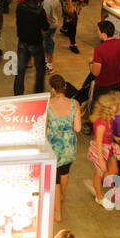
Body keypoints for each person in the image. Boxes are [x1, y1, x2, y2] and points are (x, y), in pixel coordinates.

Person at [46, 74, 80, 220]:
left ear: (53, 89)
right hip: (68, 146)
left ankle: (57, 213)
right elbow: (77, 128)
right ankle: (61, 196)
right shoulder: (75, 104)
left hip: (54, 147)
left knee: (55, 179)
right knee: (65, 172)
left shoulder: (48, 104)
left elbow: (45, 125)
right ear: (65, 86)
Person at [88, 91, 120, 211]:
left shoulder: (109, 119)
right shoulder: (101, 124)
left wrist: (114, 137)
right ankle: (99, 196)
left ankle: (96, 183)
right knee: (99, 173)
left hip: (109, 148)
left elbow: (108, 134)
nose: (116, 107)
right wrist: (101, 160)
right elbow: (98, 142)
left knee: (114, 170)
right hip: (101, 150)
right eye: (114, 106)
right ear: (107, 108)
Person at [13, 0, 50, 96]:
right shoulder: (40, 11)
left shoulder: (20, 6)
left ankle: (18, 94)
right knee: (40, 69)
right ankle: (38, 93)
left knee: (20, 69)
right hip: (35, 43)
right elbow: (45, 28)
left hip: (22, 41)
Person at [90, 19, 120, 102]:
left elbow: (95, 73)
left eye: (98, 31)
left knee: (100, 111)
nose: (97, 32)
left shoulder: (99, 49)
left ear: (103, 34)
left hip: (103, 86)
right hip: (118, 83)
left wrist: (91, 63)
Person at [41, 0, 62, 72]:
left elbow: (46, 16)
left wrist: (43, 28)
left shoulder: (47, 2)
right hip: (55, 24)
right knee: (49, 43)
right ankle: (46, 62)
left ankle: (49, 66)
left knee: (48, 45)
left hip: (49, 26)